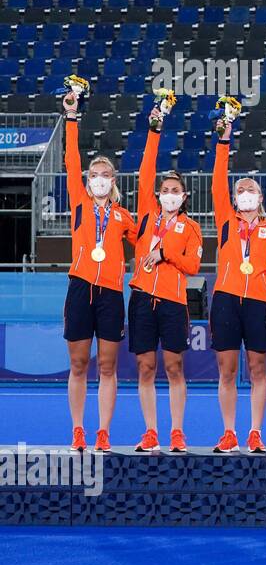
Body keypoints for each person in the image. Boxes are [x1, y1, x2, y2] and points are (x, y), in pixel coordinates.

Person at [61, 91, 137, 451]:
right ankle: (78, 430)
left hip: (109, 293)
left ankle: (103, 432)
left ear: (114, 179)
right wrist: (72, 118)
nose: (99, 179)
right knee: (78, 364)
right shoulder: (79, 199)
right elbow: (71, 160)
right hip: (79, 288)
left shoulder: (123, 216)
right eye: (95, 174)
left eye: (105, 175)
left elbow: (145, 242)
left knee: (108, 366)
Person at [210, 115, 266, 453]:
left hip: (258, 303)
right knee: (226, 369)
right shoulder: (227, 221)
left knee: (258, 368)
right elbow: (216, 182)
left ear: (260, 198)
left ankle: (255, 432)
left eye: (250, 190)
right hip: (225, 299)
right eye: (239, 190)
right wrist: (223, 142)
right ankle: (229, 432)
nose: (244, 194)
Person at [129, 105, 203, 453]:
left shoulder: (192, 227)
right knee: (145, 366)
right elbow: (145, 171)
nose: (170, 193)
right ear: (158, 194)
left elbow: (191, 268)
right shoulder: (147, 214)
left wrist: (166, 254)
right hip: (142, 298)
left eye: (176, 189)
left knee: (174, 366)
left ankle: (177, 431)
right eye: (165, 189)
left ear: (184, 196)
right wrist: (154, 130)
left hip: (174, 301)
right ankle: (151, 431)